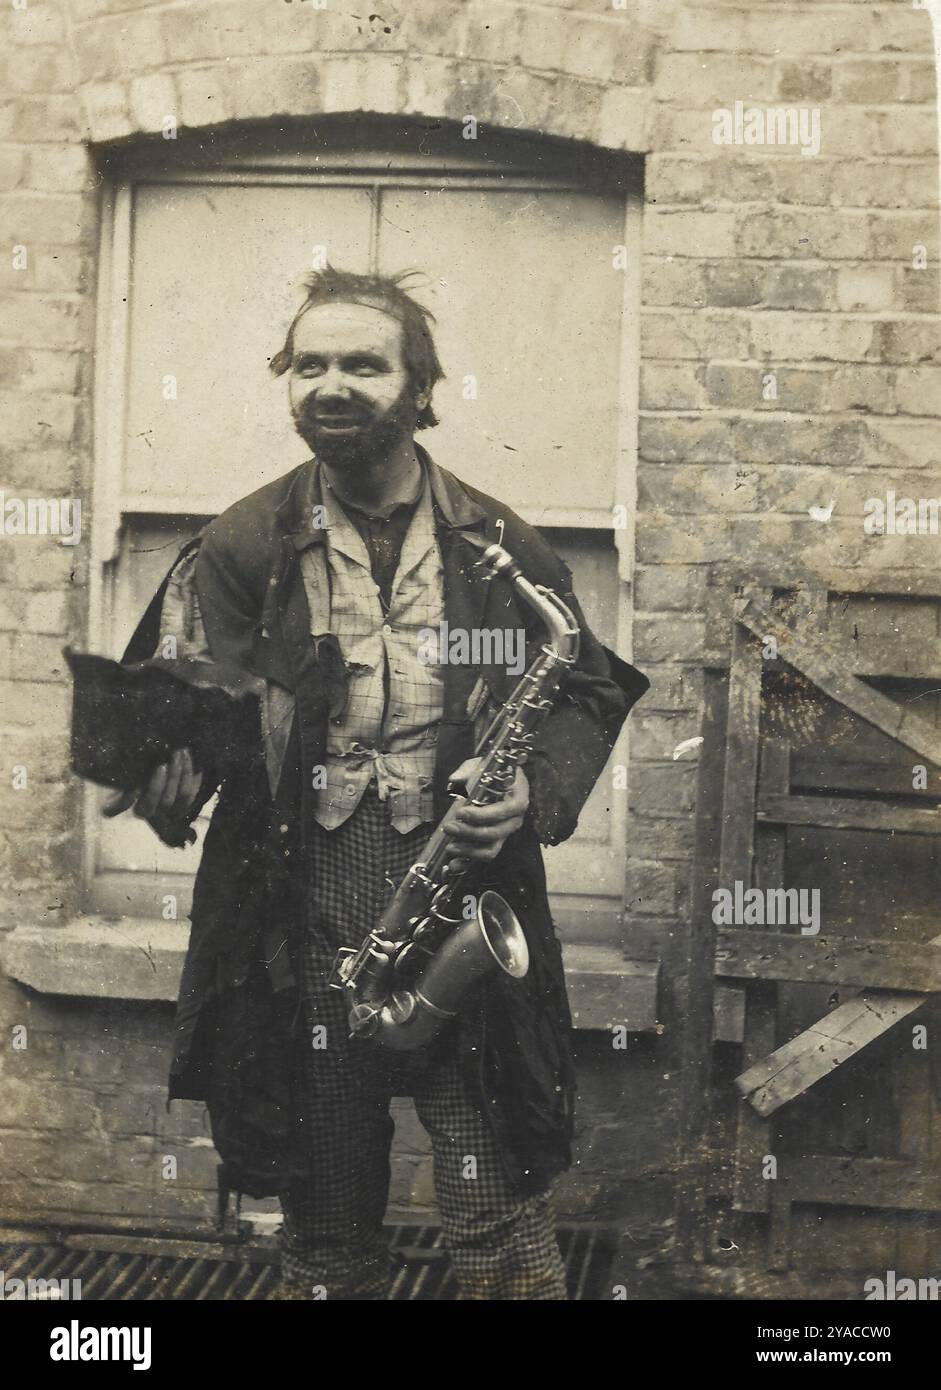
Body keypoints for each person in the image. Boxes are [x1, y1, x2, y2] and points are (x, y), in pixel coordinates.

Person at [112, 267, 648, 1300]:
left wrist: (529, 794)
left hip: (461, 890)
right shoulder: (238, 543)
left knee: (491, 1195)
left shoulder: (499, 548)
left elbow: (581, 687)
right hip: (300, 901)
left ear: (417, 387)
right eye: (308, 364)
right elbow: (172, 717)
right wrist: (164, 773)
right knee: (325, 1203)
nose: (332, 385)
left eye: (363, 362)